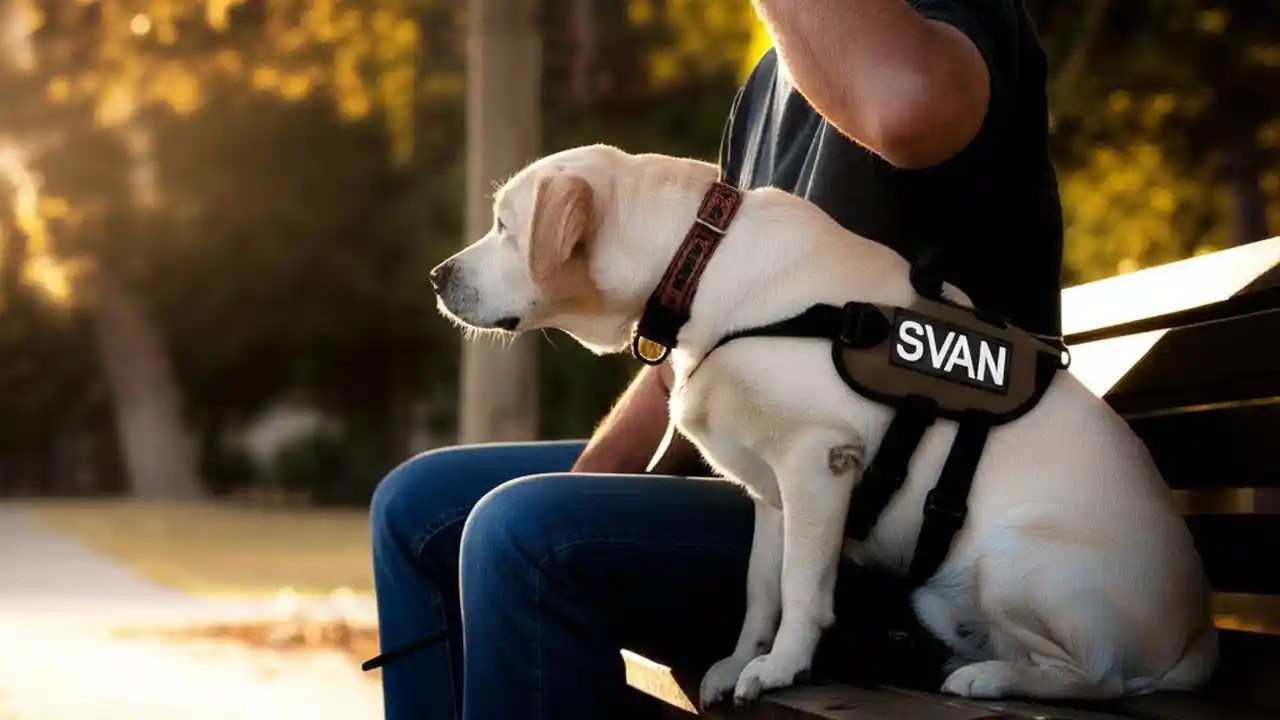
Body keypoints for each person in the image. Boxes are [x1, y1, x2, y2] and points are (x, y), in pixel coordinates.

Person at [369, 1, 1064, 718]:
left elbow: (906, 109)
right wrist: (596, 480)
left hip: (900, 521)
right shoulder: (774, 75)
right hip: (765, 475)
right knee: (418, 507)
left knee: (523, 535)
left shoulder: (944, 22)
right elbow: (688, 330)